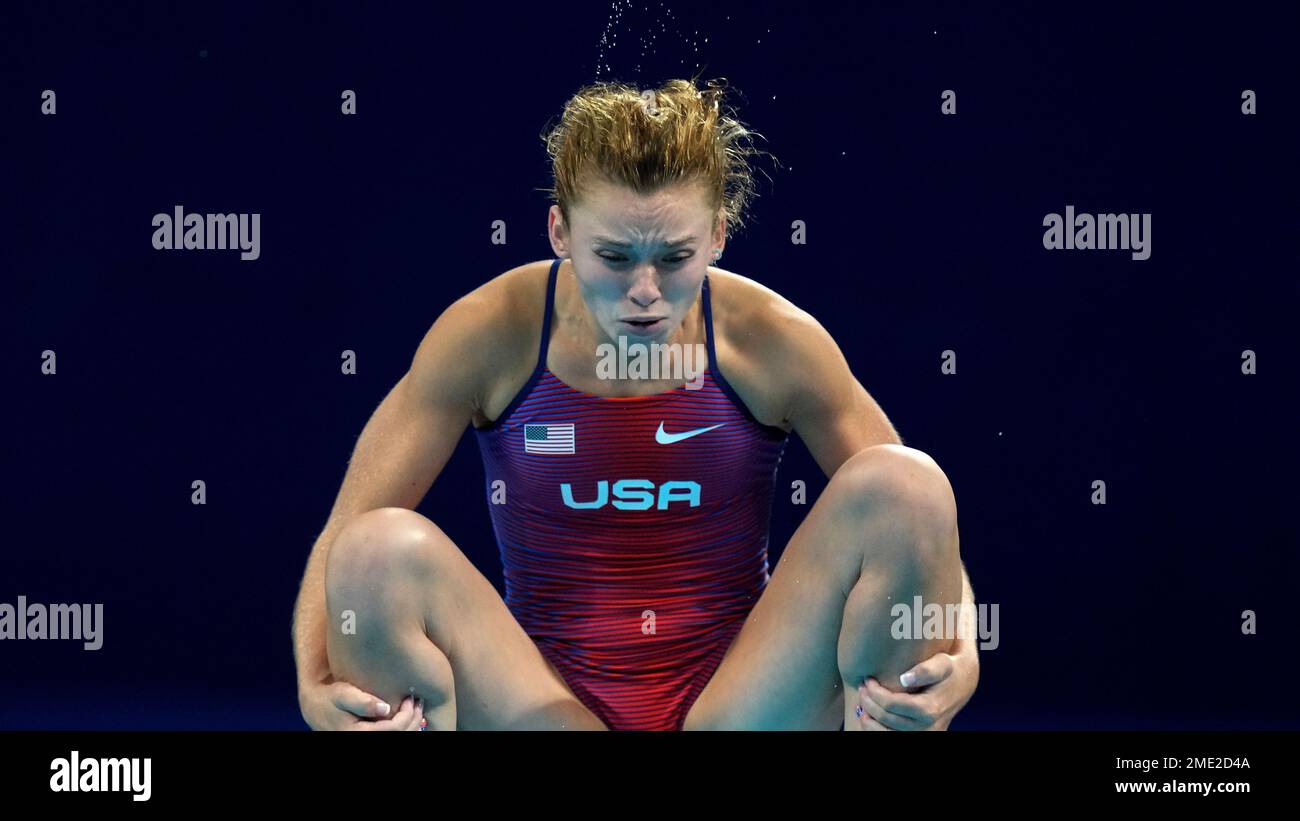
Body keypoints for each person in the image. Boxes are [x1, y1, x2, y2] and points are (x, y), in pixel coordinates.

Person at [293, 78, 979, 730]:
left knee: (907, 485)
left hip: (743, 711)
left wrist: (964, 652)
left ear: (717, 234)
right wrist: (311, 677)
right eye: (615, 257)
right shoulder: (490, 333)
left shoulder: (772, 341)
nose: (645, 290)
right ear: (560, 232)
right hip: (544, 713)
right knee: (370, 553)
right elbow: (343, 527)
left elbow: (925, 532)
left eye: (674, 257)